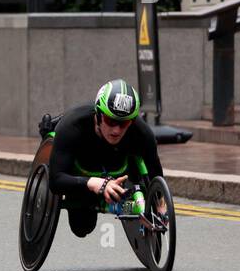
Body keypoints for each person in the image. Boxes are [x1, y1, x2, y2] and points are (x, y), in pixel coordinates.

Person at [47, 79, 166, 238]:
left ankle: (128, 197)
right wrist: (96, 183)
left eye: (123, 123)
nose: (116, 130)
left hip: (119, 171)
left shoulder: (142, 133)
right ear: (98, 115)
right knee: (81, 228)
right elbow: (55, 181)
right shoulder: (72, 126)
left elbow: (155, 174)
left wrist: (161, 210)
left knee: (130, 202)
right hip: (82, 177)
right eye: (111, 121)